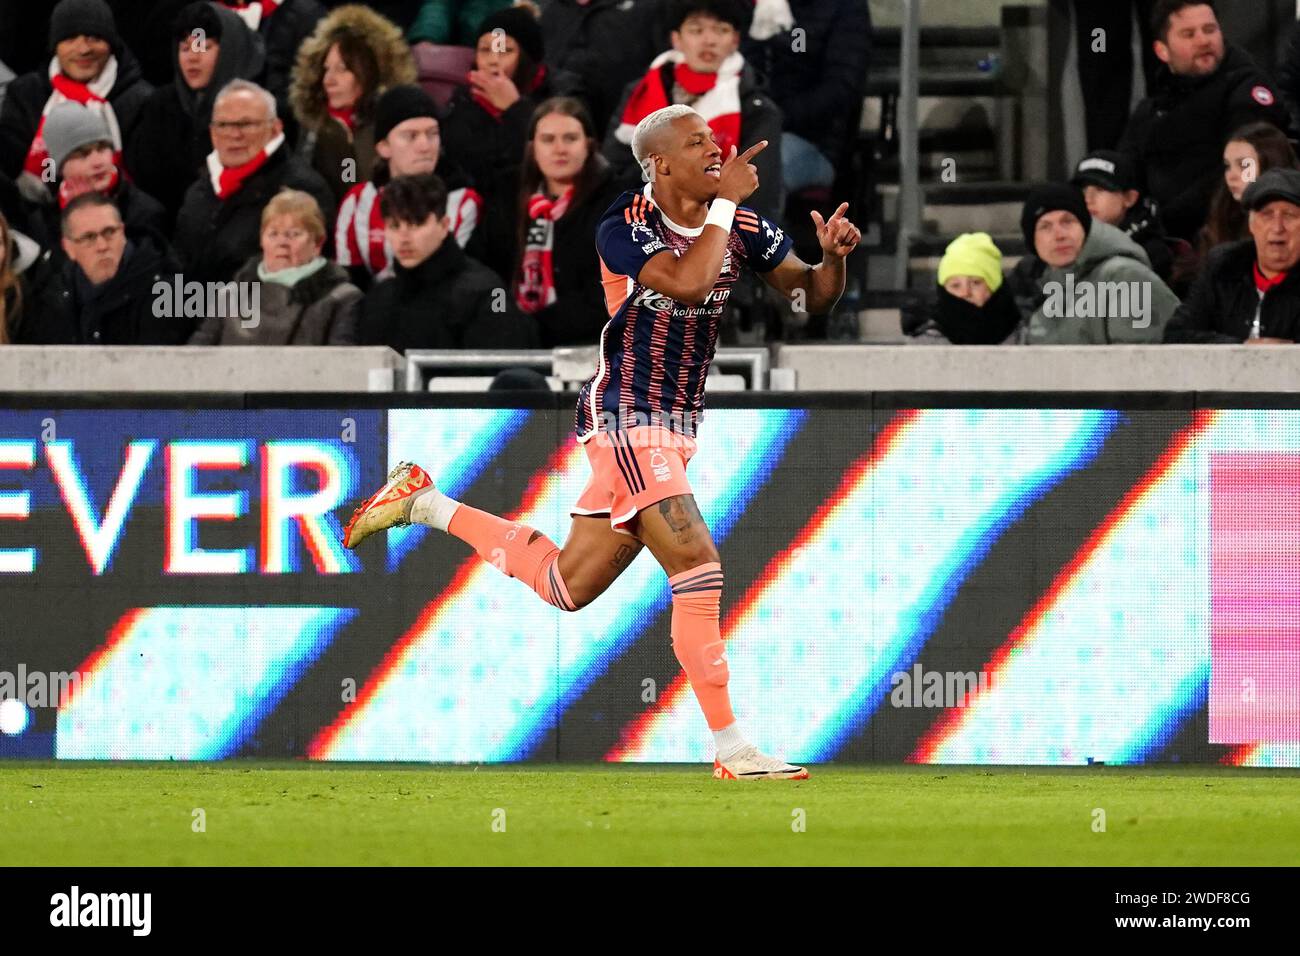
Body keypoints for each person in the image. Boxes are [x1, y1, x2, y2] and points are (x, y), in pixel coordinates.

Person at [342, 103, 863, 781]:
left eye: (716, 140)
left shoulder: (738, 223)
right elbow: (687, 282)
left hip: (675, 424)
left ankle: (424, 504)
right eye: (699, 142)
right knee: (698, 564)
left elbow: (811, 297)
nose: (716, 150)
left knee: (568, 585)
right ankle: (734, 749)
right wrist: (727, 208)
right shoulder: (624, 224)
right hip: (626, 412)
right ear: (660, 164)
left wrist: (832, 260)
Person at [1117, 0, 1289, 241]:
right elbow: (1121, 171)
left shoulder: (1246, 90)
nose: (1203, 40)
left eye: (1210, 30)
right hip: (1155, 238)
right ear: (1162, 51)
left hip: (1224, 233)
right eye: (1189, 34)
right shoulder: (1151, 108)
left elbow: (1247, 171)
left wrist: (1162, 222)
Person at [603, 0, 782, 218]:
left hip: (721, 229)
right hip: (640, 220)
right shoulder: (640, 94)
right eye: (696, 30)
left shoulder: (757, 110)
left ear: (735, 40)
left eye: (721, 30)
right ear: (676, 39)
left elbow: (758, 197)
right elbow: (614, 168)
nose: (709, 40)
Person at [439, 6, 578, 279]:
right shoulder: (463, 102)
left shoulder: (563, 95)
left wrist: (515, 108)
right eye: (485, 50)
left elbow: (553, 162)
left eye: (505, 51)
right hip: (476, 227)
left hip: (539, 226)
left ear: (528, 57)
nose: (492, 61)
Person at [174, 79, 334, 284]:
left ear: (275, 128)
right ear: (213, 133)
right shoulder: (199, 190)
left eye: (246, 124)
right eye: (224, 125)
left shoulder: (302, 190)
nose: (234, 134)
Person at [355, 171, 537, 352]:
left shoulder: (486, 293)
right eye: (394, 226)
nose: (404, 238)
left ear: (444, 225)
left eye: (416, 224)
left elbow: (498, 372)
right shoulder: (378, 300)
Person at [127, 2, 265, 229]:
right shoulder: (159, 108)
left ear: (229, 50)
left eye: (203, 47)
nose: (192, 58)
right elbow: (146, 184)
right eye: (185, 48)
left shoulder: (262, 108)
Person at [0, 0, 153, 198]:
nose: (83, 49)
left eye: (94, 38)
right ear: (55, 46)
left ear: (111, 44)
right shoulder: (26, 95)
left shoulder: (142, 101)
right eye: (70, 38)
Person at [334, 83, 480, 286]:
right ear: (384, 147)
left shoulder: (464, 202)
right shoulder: (357, 202)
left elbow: (458, 279)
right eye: (411, 136)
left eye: (432, 134)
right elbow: (349, 283)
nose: (425, 146)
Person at [513, 96, 622, 347]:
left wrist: (536, 326)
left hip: (593, 343)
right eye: (548, 139)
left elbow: (608, 291)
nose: (559, 149)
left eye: (570, 138)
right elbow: (492, 278)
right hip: (514, 337)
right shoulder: (507, 196)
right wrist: (502, 313)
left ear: (589, 145)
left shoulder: (616, 203)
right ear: (532, 148)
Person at [189, 188, 359, 344]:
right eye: (273, 234)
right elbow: (195, 360)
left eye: (293, 234)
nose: (282, 243)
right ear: (262, 241)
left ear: (317, 243)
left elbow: (341, 367)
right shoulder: (229, 296)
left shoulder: (341, 298)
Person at [289, 3, 416, 205]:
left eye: (342, 69)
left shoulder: (391, 126)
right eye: (326, 69)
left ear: (369, 73)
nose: (328, 80)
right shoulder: (314, 128)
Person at [1019, 182, 1178, 344]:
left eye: (1068, 222)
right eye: (1045, 227)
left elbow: (1136, 363)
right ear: (1033, 241)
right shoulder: (1047, 283)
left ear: (1085, 227)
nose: (1059, 235)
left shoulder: (1125, 276)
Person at [741, 0, 871, 196]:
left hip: (811, 140)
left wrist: (772, 119)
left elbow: (841, 88)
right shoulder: (744, 6)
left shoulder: (844, 6)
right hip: (744, 127)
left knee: (758, 170)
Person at [1164, 168, 1300, 344]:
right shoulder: (1224, 265)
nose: (1277, 227)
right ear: (1251, 224)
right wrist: (1239, 348)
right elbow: (1176, 335)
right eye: (1266, 215)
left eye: (1289, 215)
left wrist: (1289, 354)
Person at [23, 102, 167, 264]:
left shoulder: (144, 212)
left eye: (102, 148)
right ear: (61, 166)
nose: (97, 162)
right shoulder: (42, 222)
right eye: (82, 155)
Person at [40, 192, 188, 344]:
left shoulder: (164, 292)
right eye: (89, 237)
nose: (102, 246)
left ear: (122, 232)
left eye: (109, 232)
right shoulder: (56, 294)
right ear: (69, 247)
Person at [1197, 122, 1299, 259]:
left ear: (1270, 166)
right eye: (1228, 166)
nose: (1231, 176)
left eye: (1244, 166)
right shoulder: (1223, 211)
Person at [1071, 149, 1174, 282]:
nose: (1088, 199)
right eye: (1082, 190)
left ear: (1129, 198)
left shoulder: (1152, 253)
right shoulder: (1063, 241)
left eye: (1100, 189)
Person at [910, 232, 1023, 345]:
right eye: (955, 285)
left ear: (995, 287)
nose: (965, 293)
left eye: (976, 283)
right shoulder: (924, 344)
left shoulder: (1026, 338)